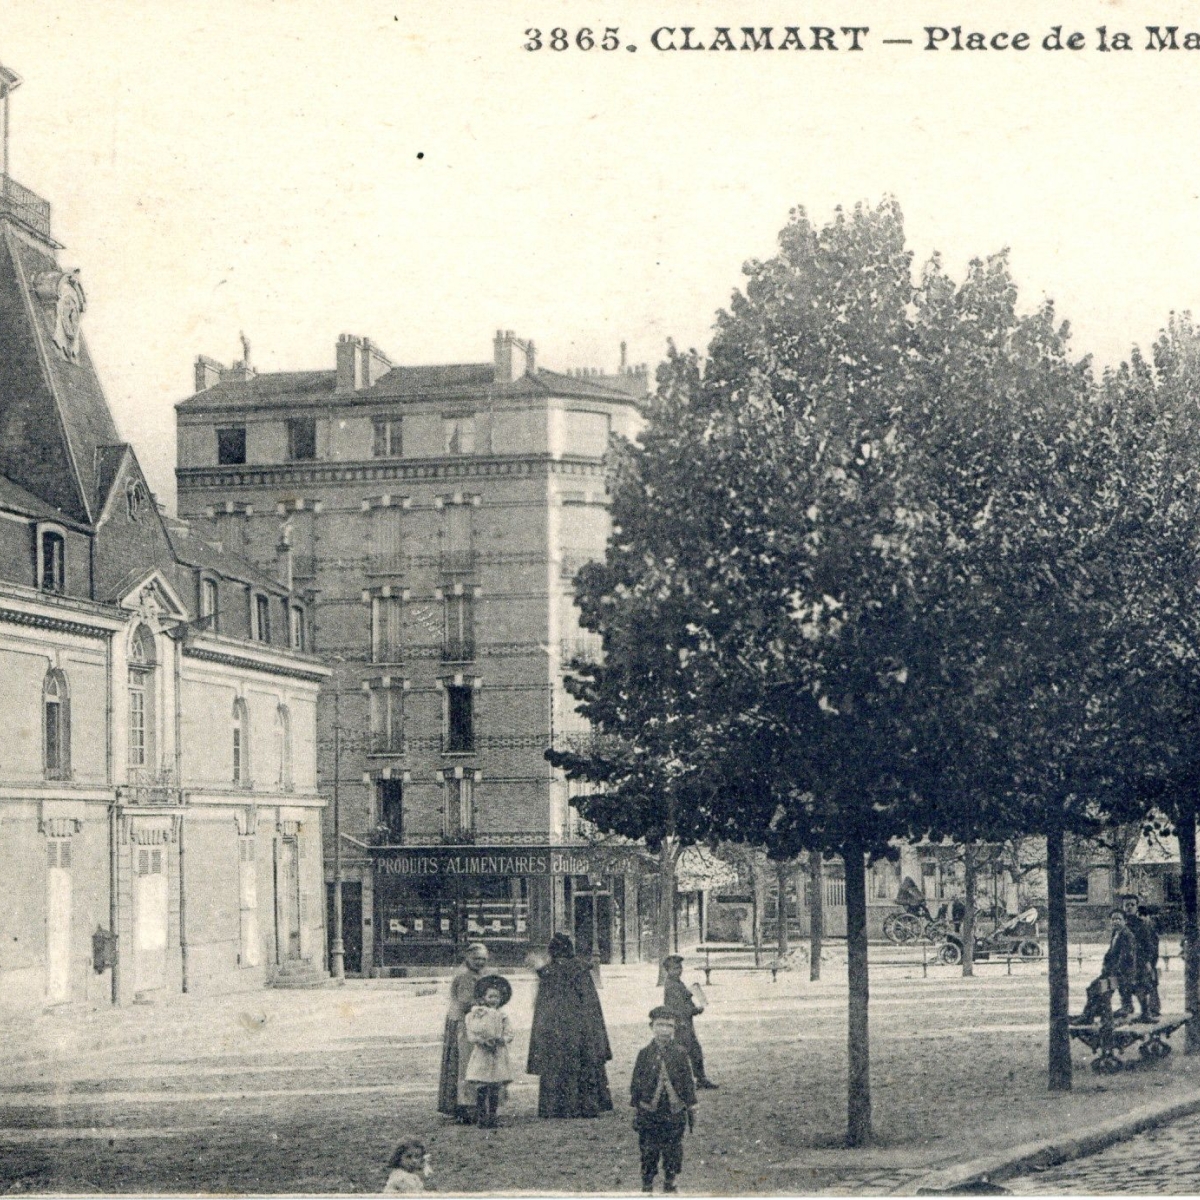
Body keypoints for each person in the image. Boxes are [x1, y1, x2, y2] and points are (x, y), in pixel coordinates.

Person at [526, 932, 614, 1118]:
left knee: (556, 1064)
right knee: (583, 1061)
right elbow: (590, 1003)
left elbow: (543, 1006)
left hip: (555, 1027)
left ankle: (556, 1107)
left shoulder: (548, 973)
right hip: (580, 1026)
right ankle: (586, 1105)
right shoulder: (580, 970)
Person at [630, 1006, 697, 1194]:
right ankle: (647, 1183)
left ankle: (670, 1180)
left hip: (674, 1110)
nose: (665, 1030)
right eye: (660, 1025)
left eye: (669, 1026)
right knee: (648, 1149)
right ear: (651, 1027)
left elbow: (687, 1082)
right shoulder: (644, 1054)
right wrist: (636, 1108)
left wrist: (691, 1105)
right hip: (649, 1110)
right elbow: (636, 1082)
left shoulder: (681, 1053)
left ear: (674, 1029)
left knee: (673, 1149)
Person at [437, 942, 489, 1123]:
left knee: (466, 1064)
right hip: (463, 1023)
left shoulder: (477, 974)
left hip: (467, 1022)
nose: (480, 962)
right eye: (476, 959)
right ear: (467, 958)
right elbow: (465, 1002)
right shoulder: (466, 976)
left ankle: (465, 1106)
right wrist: (485, 1002)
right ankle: (467, 1107)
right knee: (466, 1064)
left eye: (483, 959)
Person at [464, 974, 514, 1129]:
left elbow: (509, 1033)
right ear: (484, 997)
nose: (494, 999)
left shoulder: (503, 1016)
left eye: (497, 997)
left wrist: (502, 1040)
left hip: (497, 1053)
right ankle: (481, 1117)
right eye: (490, 996)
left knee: (494, 1087)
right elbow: (472, 1033)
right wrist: (482, 1041)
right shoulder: (477, 1014)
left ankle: (492, 1116)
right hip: (482, 1053)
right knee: (482, 1086)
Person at [1071, 910, 1138, 1026]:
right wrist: (1105, 966)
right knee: (1093, 988)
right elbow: (1110, 953)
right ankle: (1091, 1015)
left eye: (1119, 919)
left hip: (1122, 974)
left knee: (1101, 990)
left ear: (1125, 921)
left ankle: (1098, 1018)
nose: (1115, 921)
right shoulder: (1116, 934)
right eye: (1113, 919)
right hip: (1112, 972)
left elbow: (1125, 957)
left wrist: (1112, 973)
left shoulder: (1127, 935)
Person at [661, 955, 717, 1088]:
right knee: (684, 1052)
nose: (679, 970)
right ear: (668, 970)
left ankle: (699, 1079)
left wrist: (692, 996)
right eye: (675, 968)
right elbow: (679, 1008)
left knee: (693, 1051)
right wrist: (695, 1010)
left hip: (685, 1023)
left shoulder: (677, 983)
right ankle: (686, 1081)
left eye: (680, 967)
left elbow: (685, 1000)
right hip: (679, 1024)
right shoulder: (672, 986)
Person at [1120, 894, 1161, 1022]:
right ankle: (1127, 1006)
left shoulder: (1143, 925)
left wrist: (1148, 961)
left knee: (1142, 984)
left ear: (1137, 907)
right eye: (1127, 905)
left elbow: (1148, 945)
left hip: (1140, 962)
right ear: (1122, 907)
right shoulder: (1120, 924)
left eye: (1132, 904)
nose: (1129, 907)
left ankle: (1147, 1011)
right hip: (1124, 963)